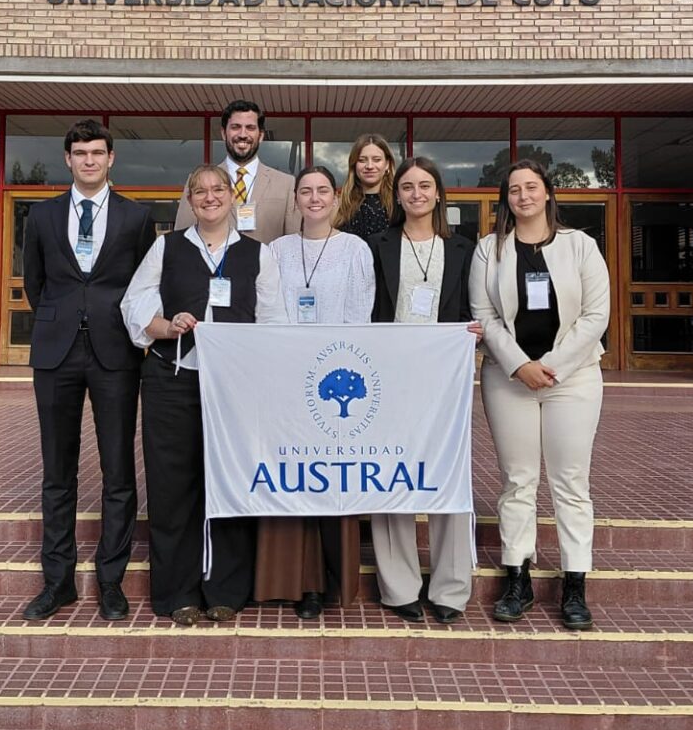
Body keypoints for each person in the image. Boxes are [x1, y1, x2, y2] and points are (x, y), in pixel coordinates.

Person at [123, 164, 288, 625]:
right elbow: (134, 306)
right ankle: (178, 592)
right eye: (200, 191)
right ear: (189, 200)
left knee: (231, 484)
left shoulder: (258, 254)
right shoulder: (167, 247)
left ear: (232, 197)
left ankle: (226, 590)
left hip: (236, 388)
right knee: (173, 487)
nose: (210, 197)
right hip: (172, 381)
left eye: (219, 189)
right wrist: (167, 326)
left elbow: (273, 322)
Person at [20, 119, 158, 622]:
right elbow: (35, 284)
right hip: (55, 353)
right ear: (68, 159)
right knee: (58, 472)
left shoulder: (137, 217)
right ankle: (57, 583)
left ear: (111, 158)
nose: (89, 160)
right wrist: (63, 319)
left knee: (119, 472)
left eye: (97, 152)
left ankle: (110, 580)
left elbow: (146, 285)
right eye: (80, 153)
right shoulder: (42, 215)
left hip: (115, 353)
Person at [469, 159, 609, 631]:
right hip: (509, 381)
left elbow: (596, 315)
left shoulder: (581, 246)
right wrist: (520, 365)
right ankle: (518, 577)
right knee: (518, 480)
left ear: (548, 193)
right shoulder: (491, 250)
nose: (524, 196)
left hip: (574, 381)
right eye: (514, 190)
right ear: (506, 199)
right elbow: (484, 316)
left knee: (571, 482)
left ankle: (574, 584)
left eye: (532, 187)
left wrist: (552, 367)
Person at [258, 165, 377, 619]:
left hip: (333, 383)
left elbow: (358, 316)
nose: (313, 198)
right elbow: (267, 310)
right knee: (293, 479)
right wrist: (291, 361)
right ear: (295, 200)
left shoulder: (355, 250)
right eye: (305, 191)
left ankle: (330, 580)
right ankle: (298, 582)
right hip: (286, 379)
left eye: (322, 190)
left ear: (335, 197)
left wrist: (325, 363)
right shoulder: (277, 250)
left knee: (330, 480)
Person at [368, 156, 480, 624]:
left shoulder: (463, 249)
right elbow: (370, 310)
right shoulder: (376, 245)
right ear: (397, 195)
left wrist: (474, 334)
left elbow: (476, 306)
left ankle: (452, 586)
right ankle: (399, 586)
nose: (416, 193)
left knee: (446, 473)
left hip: (444, 375)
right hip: (390, 374)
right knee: (392, 467)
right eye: (408, 186)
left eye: (425, 185)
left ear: (439, 193)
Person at [176, 99, 300, 242]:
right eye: (235, 127)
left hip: (265, 264)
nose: (242, 134)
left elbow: (293, 245)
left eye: (250, 128)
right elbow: (182, 240)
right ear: (224, 133)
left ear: (260, 136)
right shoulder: (197, 181)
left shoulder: (286, 184)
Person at [334, 133, 397, 242]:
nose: (369, 166)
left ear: (387, 164)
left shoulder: (399, 204)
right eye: (362, 160)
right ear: (354, 165)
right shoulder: (340, 206)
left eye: (376, 160)